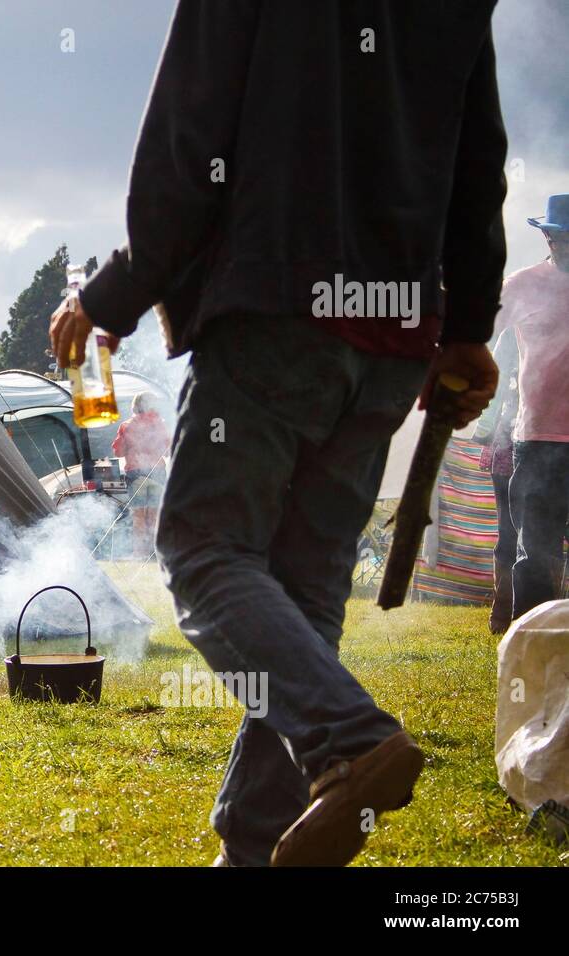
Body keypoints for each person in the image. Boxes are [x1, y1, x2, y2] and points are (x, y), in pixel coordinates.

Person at [51, 0, 504, 866]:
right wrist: (467, 324)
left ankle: (350, 739)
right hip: (396, 328)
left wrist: (117, 289)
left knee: (201, 548)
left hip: (278, 303)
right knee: (303, 593)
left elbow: (193, 129)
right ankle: (258, 845)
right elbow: (477, 158)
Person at [504, 196, 569, 620]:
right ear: (547, 236)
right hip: (538, 440)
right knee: (534, 556)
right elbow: (477, 339)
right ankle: (530, 649)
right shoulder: (521, 284)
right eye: (562, 236)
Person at [474, 327, 518, 633]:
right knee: (509, 532)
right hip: (510, 442)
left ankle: (521, 615)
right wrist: (487, 427)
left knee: (524, 535)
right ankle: (503, 615)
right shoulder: (513, 333)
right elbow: (494, 383)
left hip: (547, 441)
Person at [111, 393, 169, 557]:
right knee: (155, 512)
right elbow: (167, 450)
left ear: (135, 406)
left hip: (136, 473)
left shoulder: (127, 425)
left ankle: (140, 552)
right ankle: (157, 551)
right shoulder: (160, 424)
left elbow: (119, 452)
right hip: (157, 471)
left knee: (139, 514)